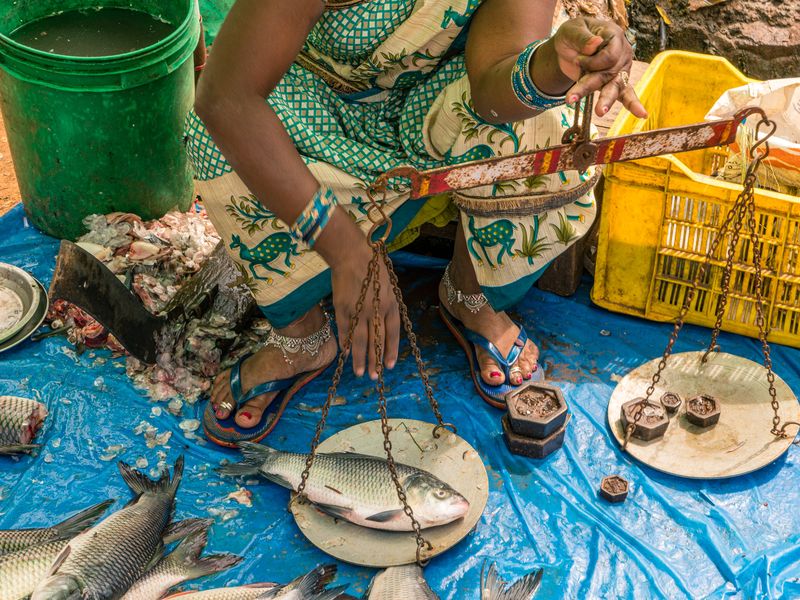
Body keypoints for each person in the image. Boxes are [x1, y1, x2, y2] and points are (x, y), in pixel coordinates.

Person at [188, 0, 646, 447]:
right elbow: (227, 96)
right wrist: (347, 251)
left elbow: (493, 86)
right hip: (324, 104)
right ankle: (302, 336)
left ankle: (470, 292)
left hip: (450, 98)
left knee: (543, 122)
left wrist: (553, 63)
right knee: (215, 142)